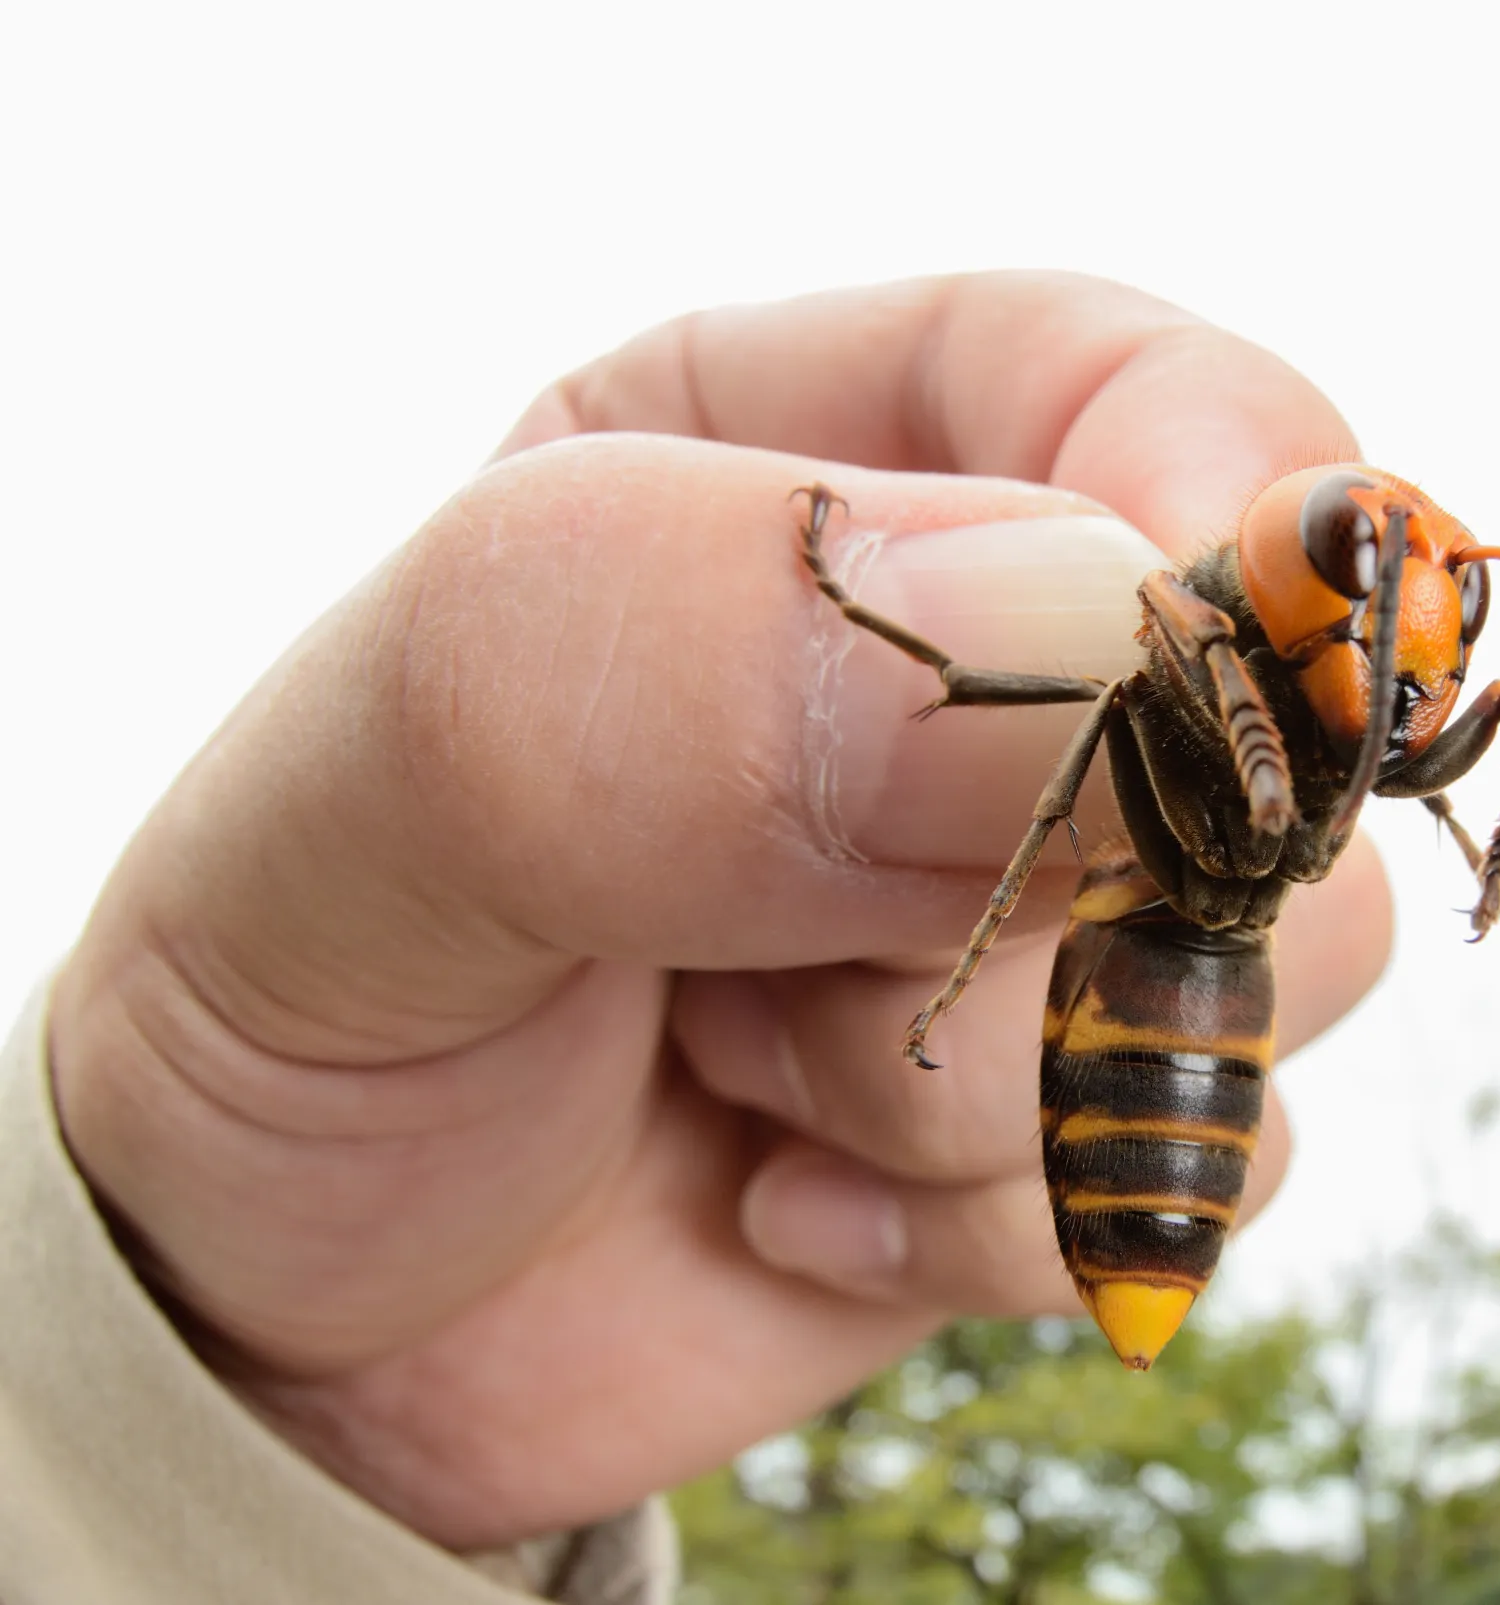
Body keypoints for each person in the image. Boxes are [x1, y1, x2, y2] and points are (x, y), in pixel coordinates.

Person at [0, 273, 1395, 1603]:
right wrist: (202, 1403)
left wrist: (241, 1442)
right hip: (1156, 1010)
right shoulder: (1183, 615)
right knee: (1098, 697)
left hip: (1189, 997)